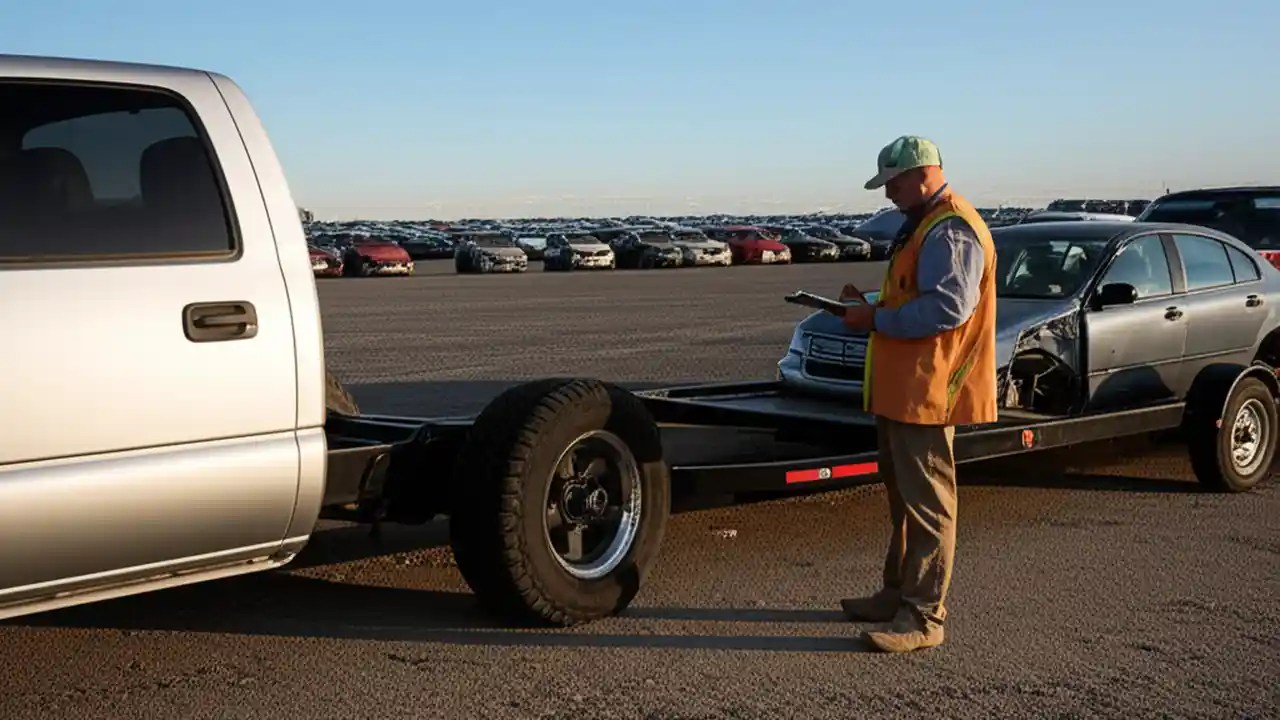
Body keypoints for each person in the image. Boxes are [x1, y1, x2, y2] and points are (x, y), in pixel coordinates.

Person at [832, 135, 999, 653]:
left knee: (929, 505)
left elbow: (949, 308)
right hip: (905, 390)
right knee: (905, 500)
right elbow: (918, 297)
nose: (888, 195)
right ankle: (897, 593)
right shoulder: (925, 225)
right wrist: (871, 305)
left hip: (929, 390)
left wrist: (875, 318)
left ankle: (925, 617)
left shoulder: (950, 228)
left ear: (924, 173)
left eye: (894, 183)